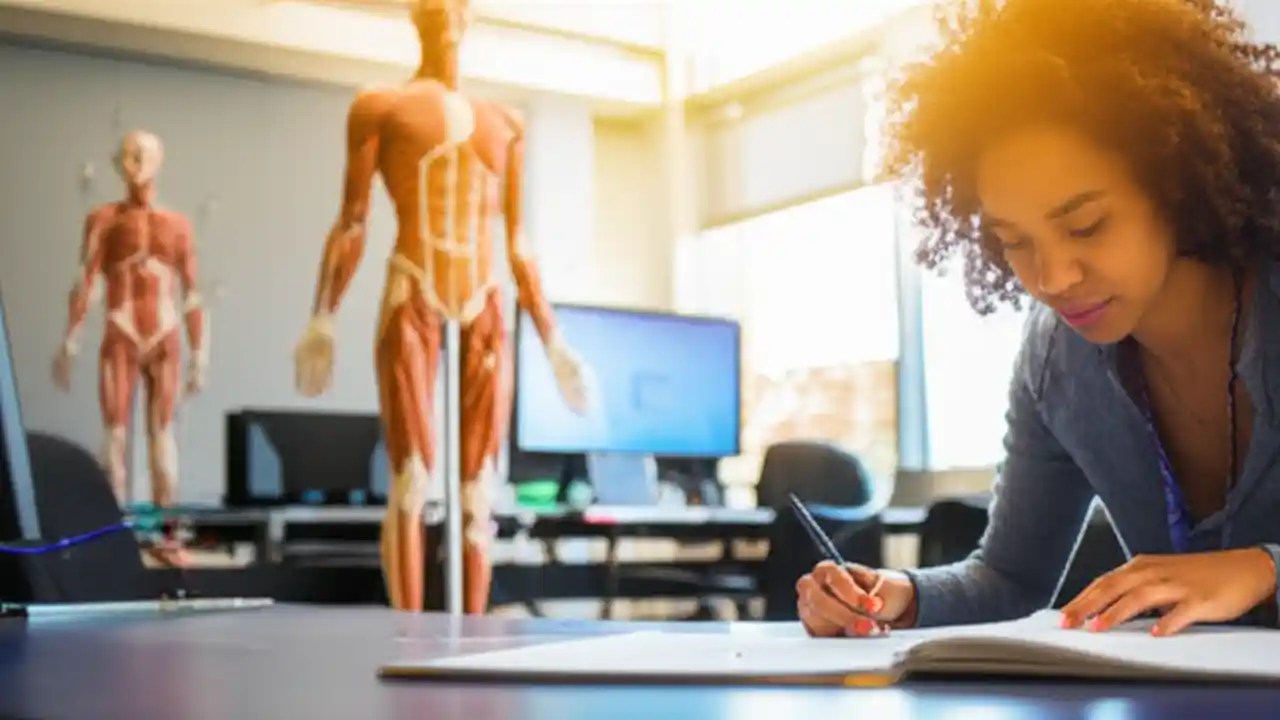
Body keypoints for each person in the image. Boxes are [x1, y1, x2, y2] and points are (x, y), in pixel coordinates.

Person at [797, 0, 1280, 639]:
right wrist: (900, 597)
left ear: (1178, 184)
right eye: (1015, 241)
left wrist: (1262, 569)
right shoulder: (1059, 359)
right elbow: (1008, 578)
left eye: (1086, 225)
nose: (1051, 280)